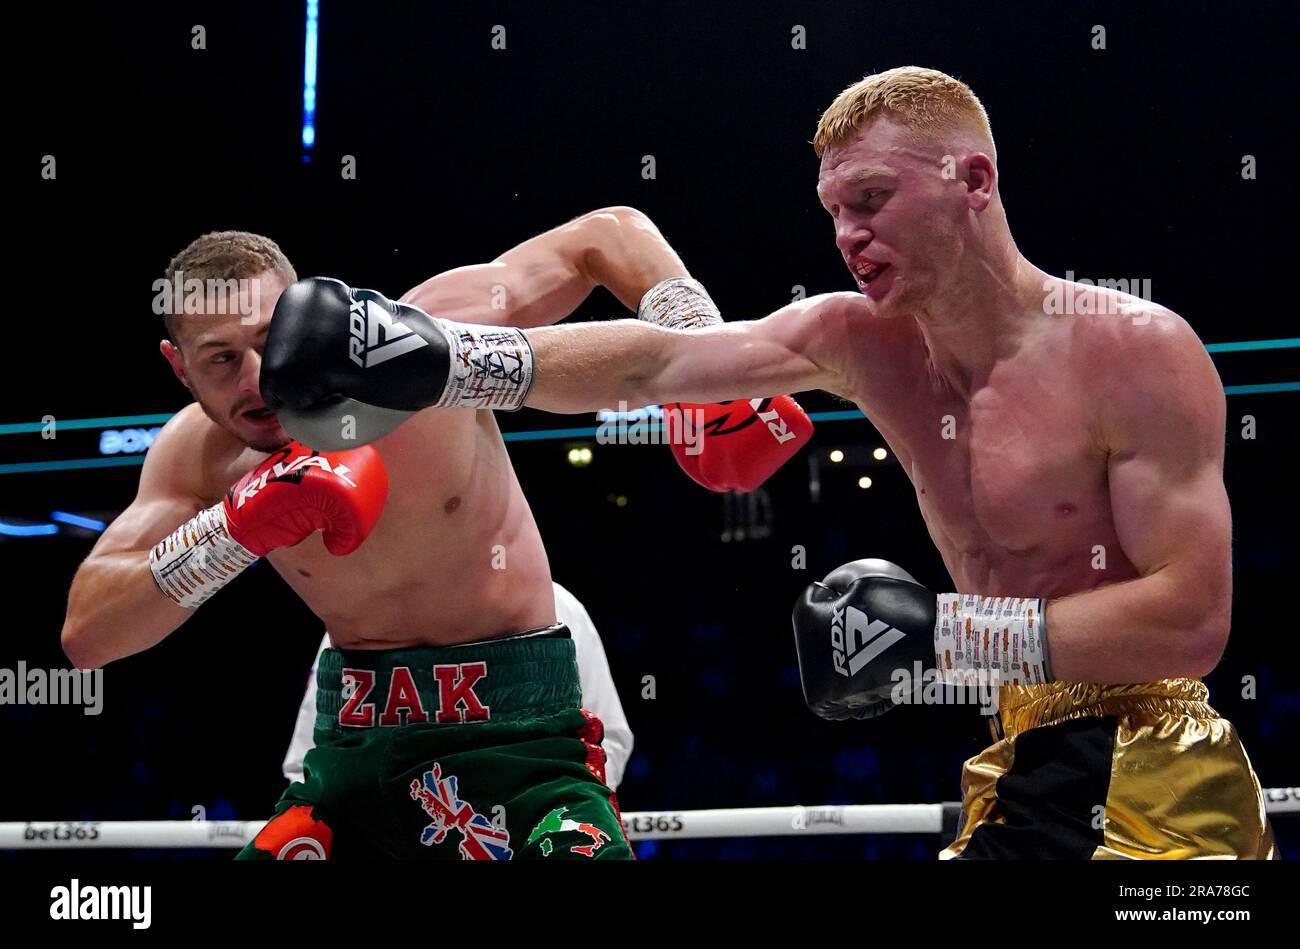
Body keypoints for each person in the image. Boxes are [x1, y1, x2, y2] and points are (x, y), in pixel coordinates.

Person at [267, 67, 1275, 859]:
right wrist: (443, 361)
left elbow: (1191, 621)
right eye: (833, 210)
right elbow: (664, 361)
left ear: (974, 180)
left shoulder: (1132, 351)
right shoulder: (861, 336)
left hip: (1148, 762)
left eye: (873, 199)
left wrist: (942, 634)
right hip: (1026, 749)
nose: (848, 235)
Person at [62, 216, 808, 860]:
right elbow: (88, 634)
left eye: (268, 337)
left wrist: (703, 349)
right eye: (222, 358)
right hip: (356, 742)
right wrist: (232, 526)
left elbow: (606, 235)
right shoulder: (197, 457)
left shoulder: (419, 341)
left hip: (525, 730)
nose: (258, 378)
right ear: (179, 367)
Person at [283, 581, 633, 792]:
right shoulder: (355, 617)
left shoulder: (555, 607)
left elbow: (605, 742)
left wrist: (549, 818)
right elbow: (308, 764)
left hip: (515, 836)